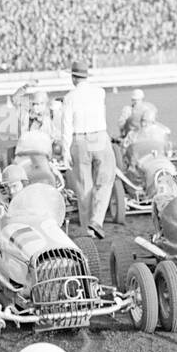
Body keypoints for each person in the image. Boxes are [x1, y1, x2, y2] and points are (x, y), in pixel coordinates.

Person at [60, 60, 117, 238]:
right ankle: (97, 220)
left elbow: (66, 127)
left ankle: (87, 229)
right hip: (99, 136)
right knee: (105, 179)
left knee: (83, 185)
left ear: (73, 77)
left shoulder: (69, 97)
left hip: (79, 139)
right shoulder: (99, 92)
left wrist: (65, 151)